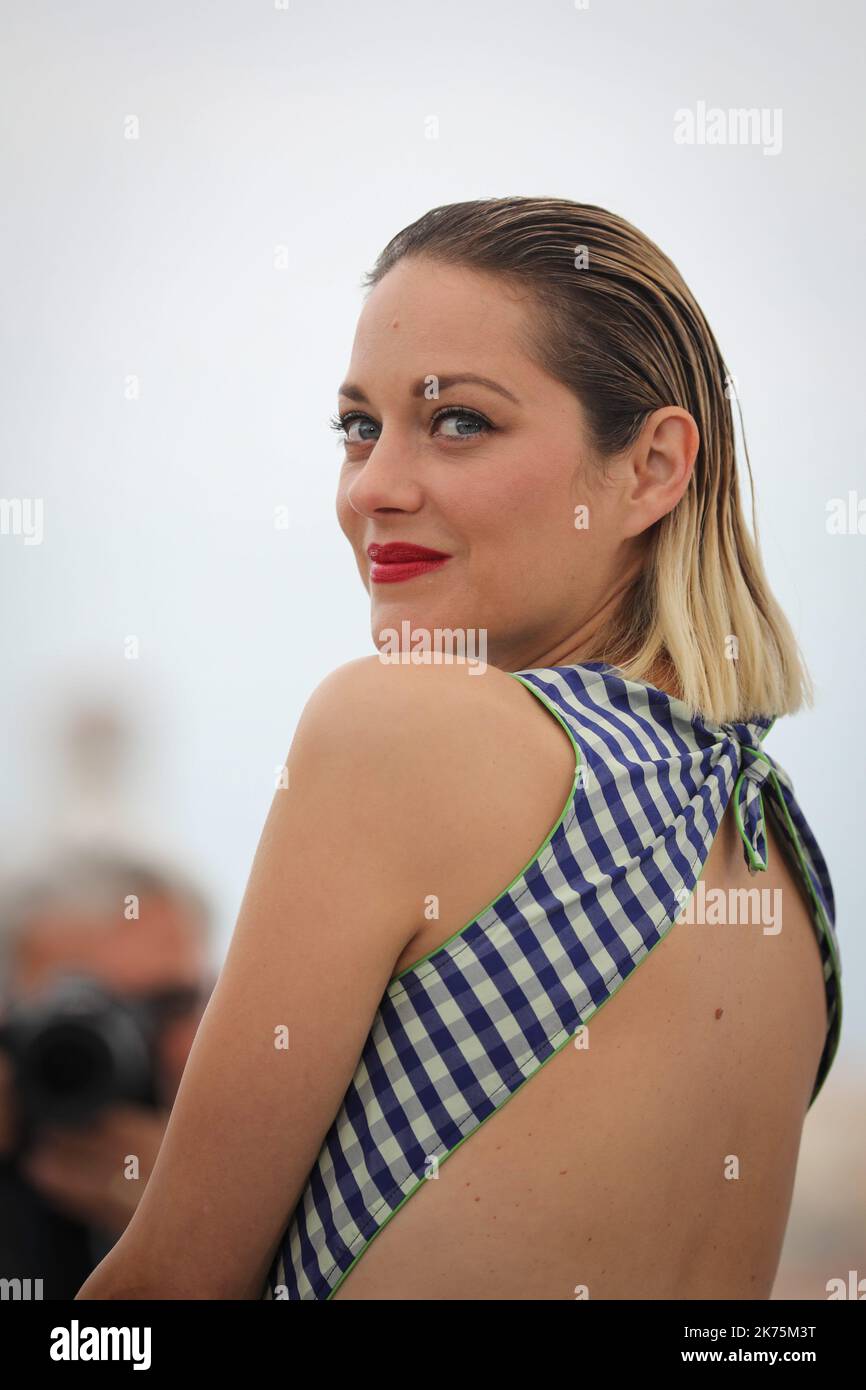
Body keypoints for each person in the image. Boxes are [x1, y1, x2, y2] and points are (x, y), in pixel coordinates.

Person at [75, 197, 842, 1302]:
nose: (371, 489)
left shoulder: (398, 728)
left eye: (458, 423)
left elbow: (162, 1299)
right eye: (357, 426)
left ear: (651, 467)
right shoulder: (778, 864)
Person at [0, 850, 213, 1298]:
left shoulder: (265, 1177)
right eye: (78, 1019)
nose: (117, 1046)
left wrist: (199, 1229)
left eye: (169, 1005)